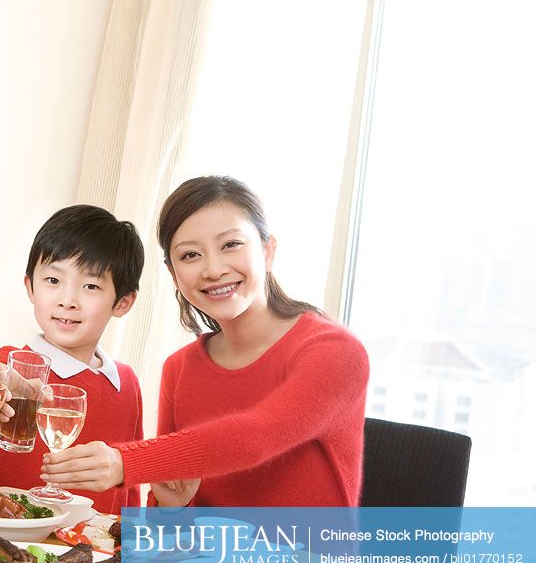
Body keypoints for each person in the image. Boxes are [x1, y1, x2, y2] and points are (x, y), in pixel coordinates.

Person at [40, 175, 369, 507]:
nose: (213, 269)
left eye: (230, 245)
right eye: (190, 255)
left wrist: (125, 462)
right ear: (174, 274)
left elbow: (257, 436)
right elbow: (165, 518)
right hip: (202, 558)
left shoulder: (335, 352)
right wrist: (171, 504)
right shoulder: (180, 368)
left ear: (268, 251)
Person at [0, 205, 144, 514]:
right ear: (30, 287)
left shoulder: (126, 382)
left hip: (93, 552)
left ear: (123, 302)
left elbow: (131, 482)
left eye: (91, 286)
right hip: (11, 542)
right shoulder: (12, 363)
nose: (67, 301)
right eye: (53, 281)